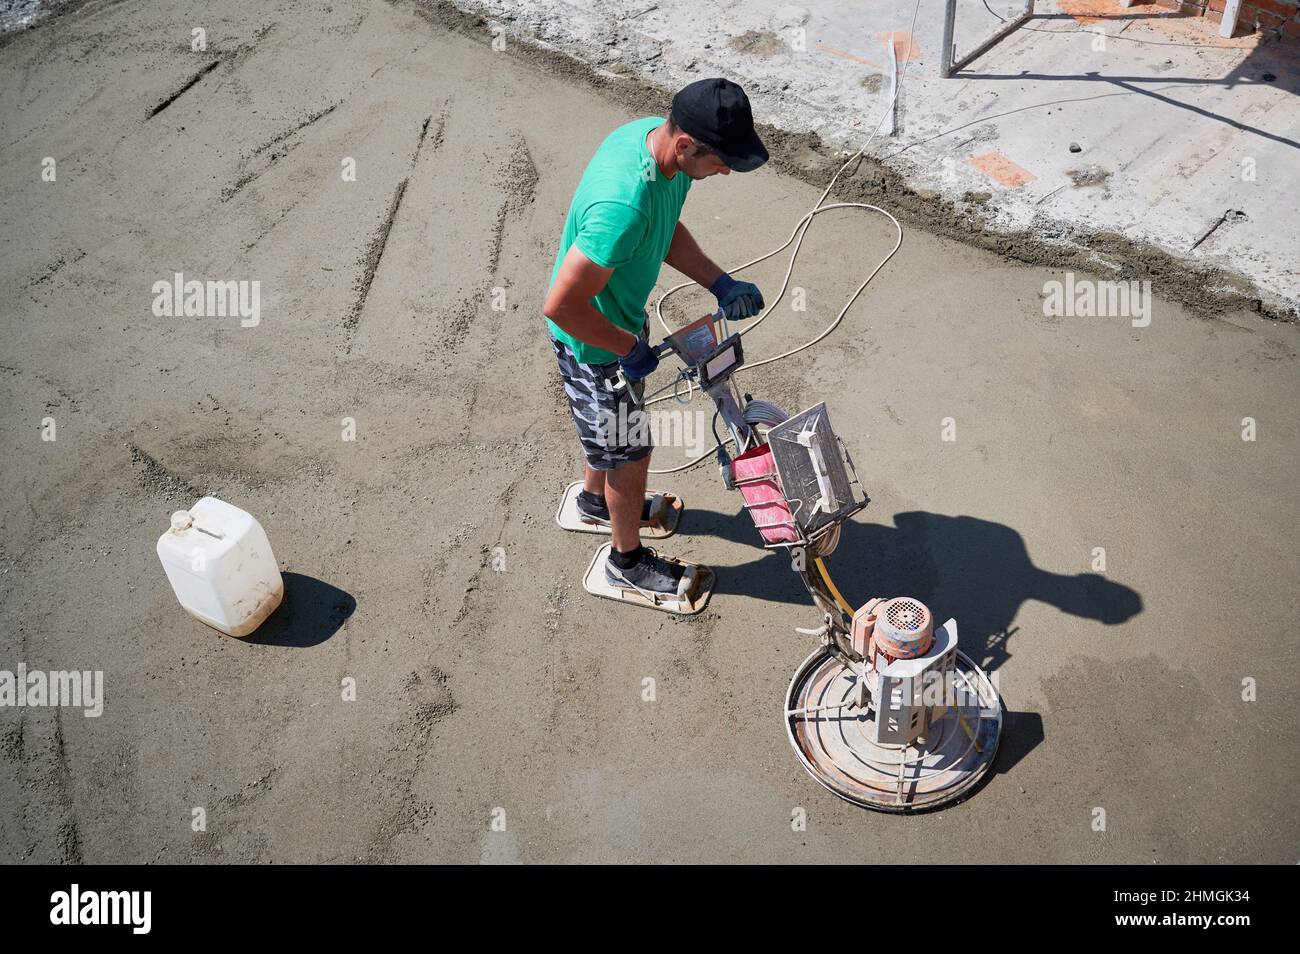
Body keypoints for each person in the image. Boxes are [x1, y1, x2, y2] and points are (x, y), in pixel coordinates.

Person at [543, 78, 768, 599]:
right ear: (687, 144)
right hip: (593, 340)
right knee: (631, 449)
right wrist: (624, 347)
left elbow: (662, 229)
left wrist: (719, 281)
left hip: (619, 323)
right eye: (722, 160)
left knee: (615, 438)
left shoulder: (655, 141)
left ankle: (595, 503)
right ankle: (626, 562)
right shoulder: (623, 206)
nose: (727, 170)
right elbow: (561, 305)